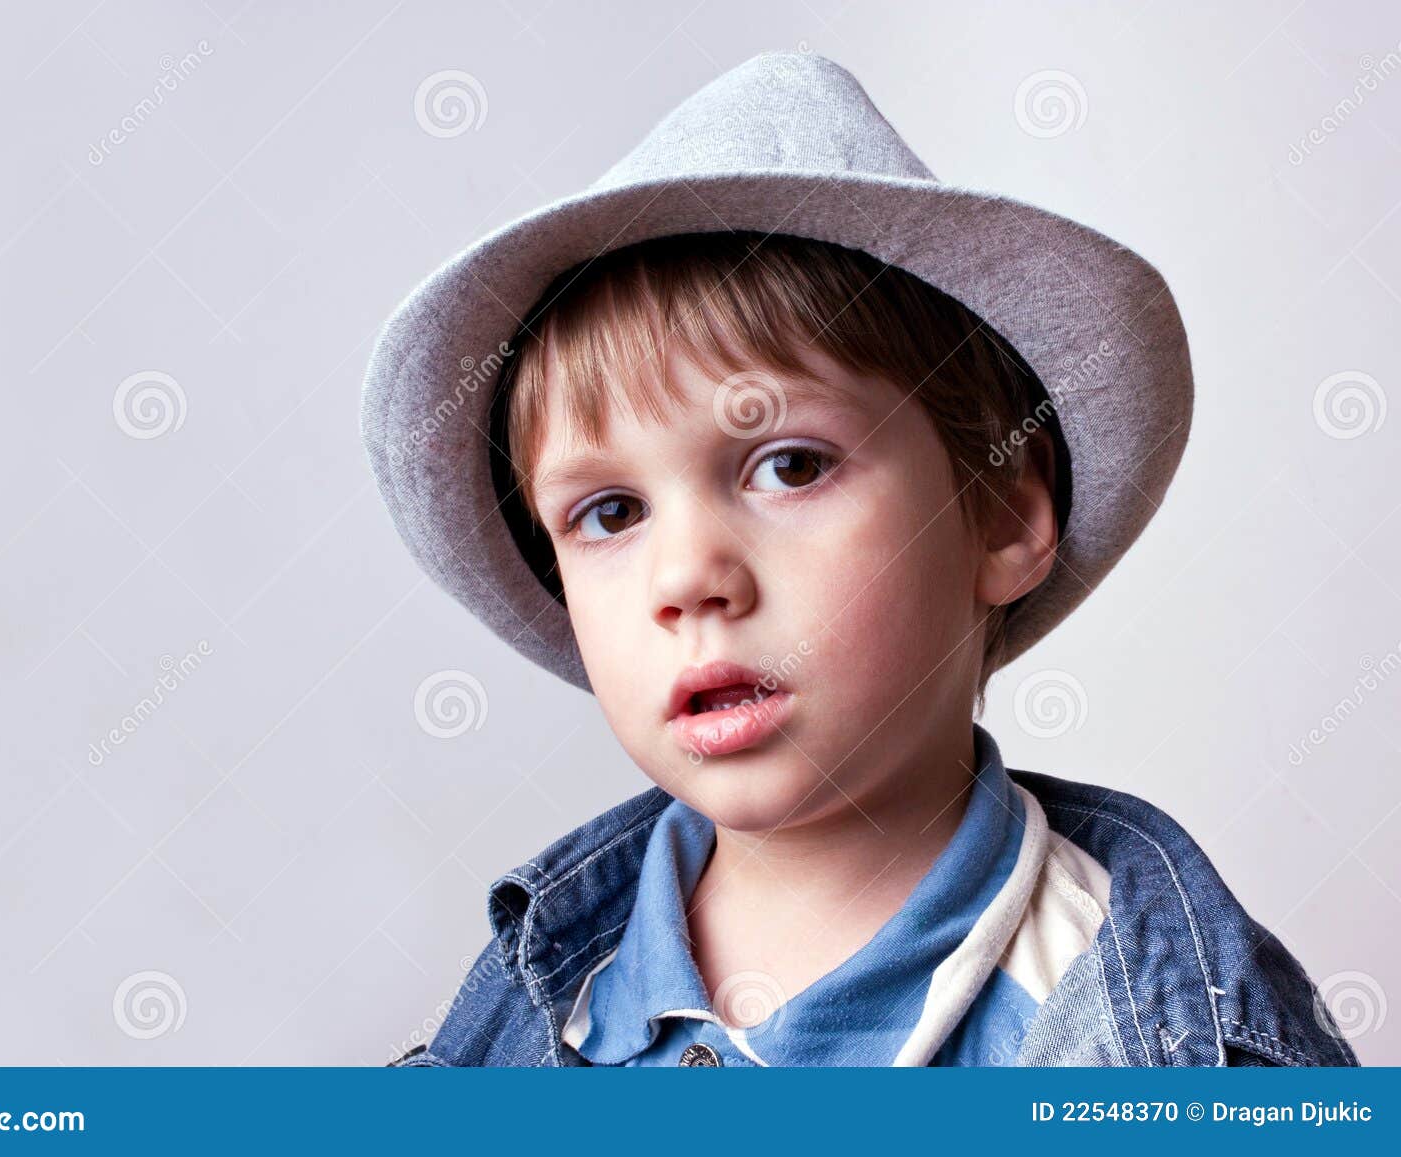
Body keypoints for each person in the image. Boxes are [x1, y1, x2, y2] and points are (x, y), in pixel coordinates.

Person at [360, 50, 1358, 1068]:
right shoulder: (548, 983)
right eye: (611, 511)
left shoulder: (1161, 1032)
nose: (687, 577)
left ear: (1007, 513)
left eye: (788, 465)